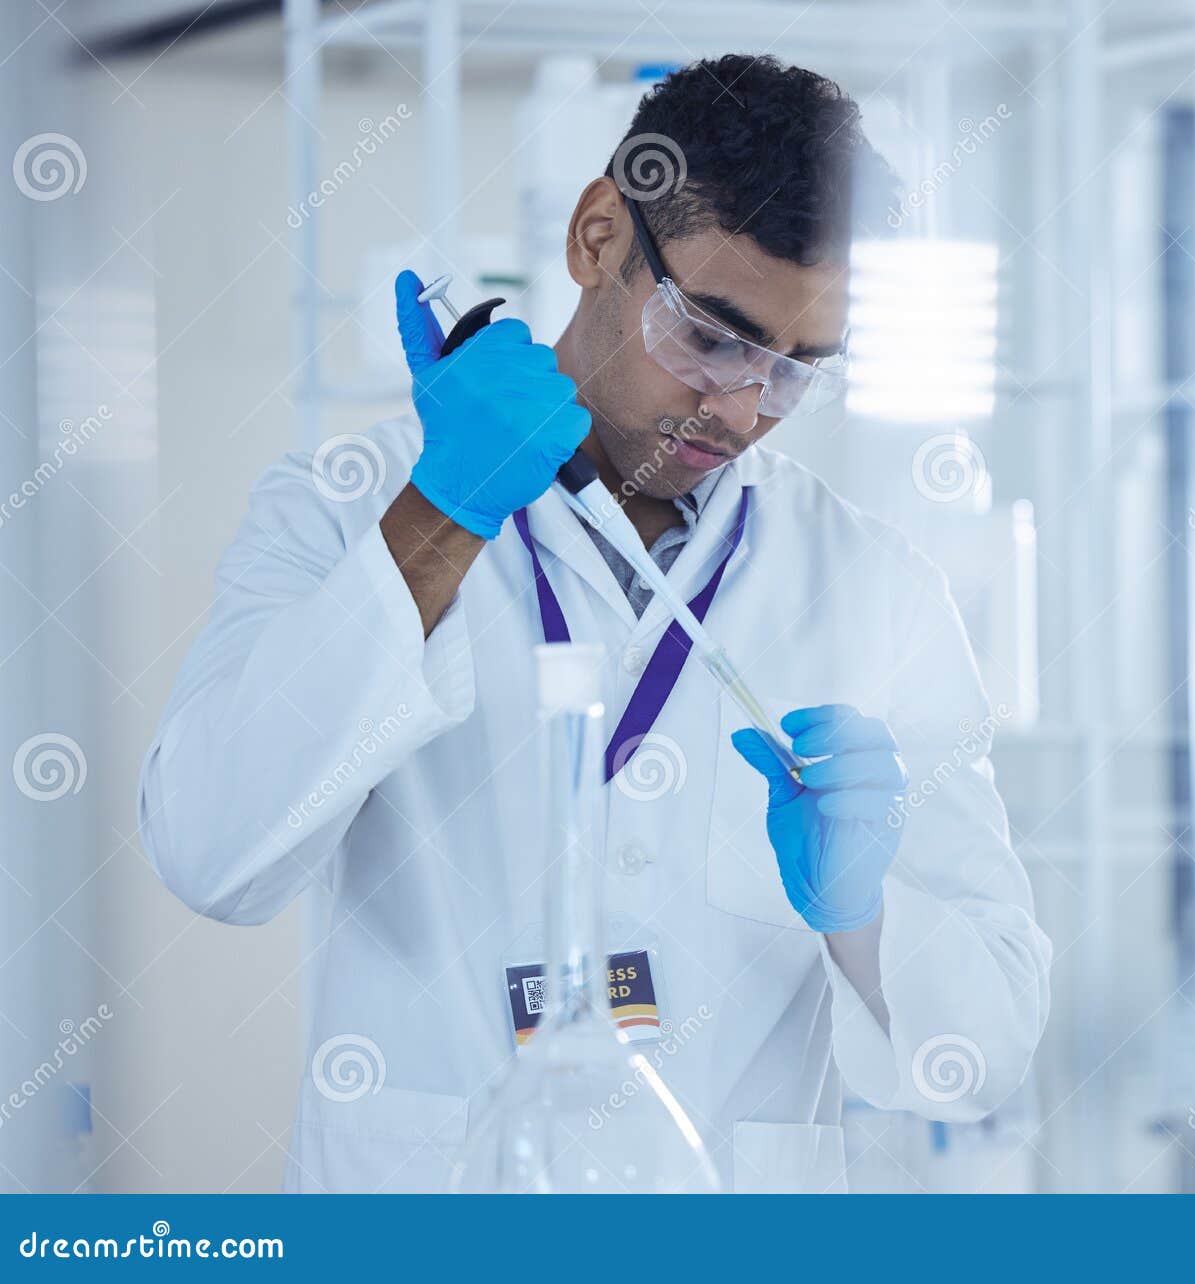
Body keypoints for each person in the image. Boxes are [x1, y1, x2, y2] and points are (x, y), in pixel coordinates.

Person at [138, 53, 1052, 1193]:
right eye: (712, 338)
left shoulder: (875, 584)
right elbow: (212, 855)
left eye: (797, 371)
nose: (742, 407)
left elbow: (989, 1049)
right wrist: (442, 513)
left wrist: (865, 916)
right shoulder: (343, 505)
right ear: (597, 237)